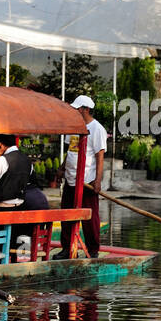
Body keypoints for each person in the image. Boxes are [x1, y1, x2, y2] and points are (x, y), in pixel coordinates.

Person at [58, 94, 107, 258]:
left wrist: (97, 180)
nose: (75, 111)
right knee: (66, 214)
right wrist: (62, 168)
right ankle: (67, 249)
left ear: (86, 110)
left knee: (89, 218)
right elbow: (70, 152)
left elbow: (100, 156)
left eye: (78, 109)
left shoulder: (97, 129)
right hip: (71, 179)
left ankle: (93, 251)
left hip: (86, 181)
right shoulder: (73, 127)